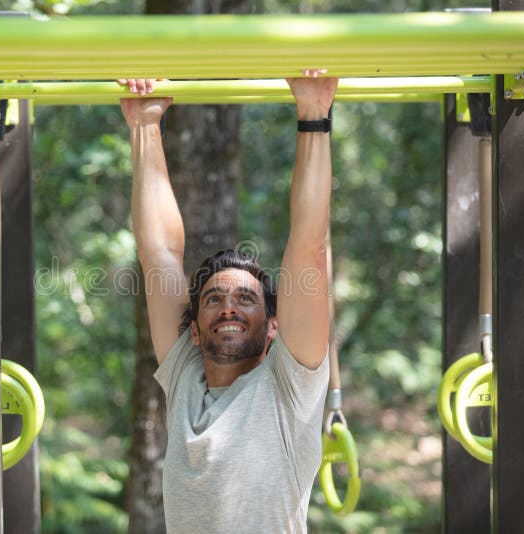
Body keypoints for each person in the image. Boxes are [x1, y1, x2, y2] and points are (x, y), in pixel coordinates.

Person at [120, 71, 338, 533]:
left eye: (246, 298)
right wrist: (144, 126)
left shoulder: (288, 385)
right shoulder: (185, 375)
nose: (229, 306)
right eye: (214, 298)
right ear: (194, 330)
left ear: (273, 326)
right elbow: (158, 252)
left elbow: (308, 244)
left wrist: (314, 115)